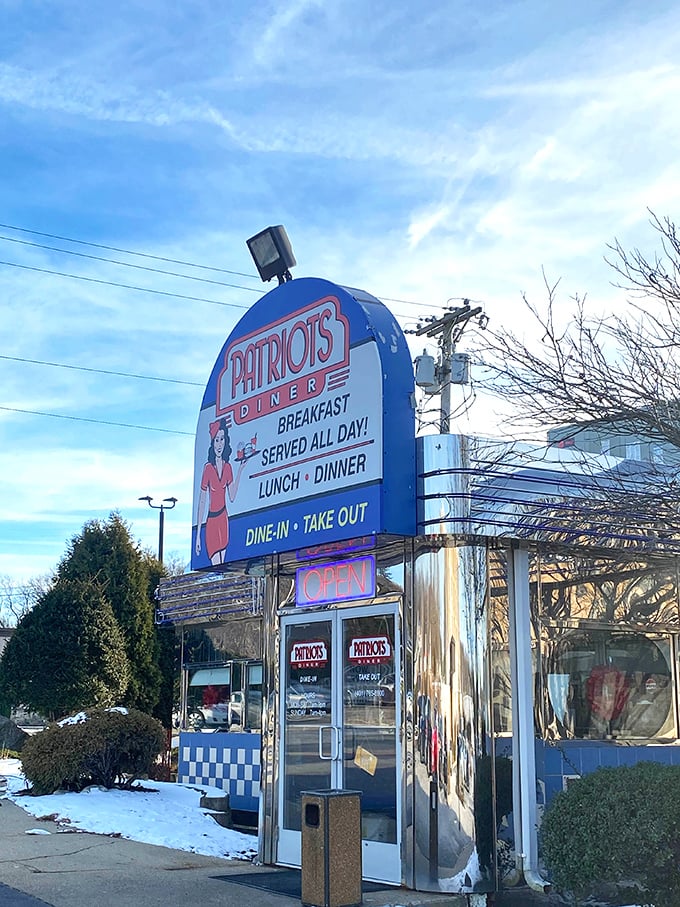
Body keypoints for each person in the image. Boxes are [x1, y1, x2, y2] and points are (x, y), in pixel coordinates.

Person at [195, 418, 245, 564]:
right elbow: (202, 502)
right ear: (212, 443)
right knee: (216, 564)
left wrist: (240, 470)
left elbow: (232, 496)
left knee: (223, 566)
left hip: (224, 519)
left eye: (222, 439)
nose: (219, 444)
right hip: (211, 521)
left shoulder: (228, 467)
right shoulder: (208, 469)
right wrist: (198, 535)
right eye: (216, 440)